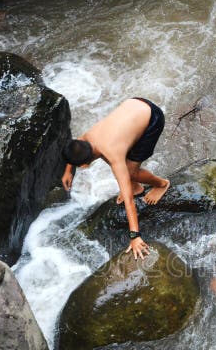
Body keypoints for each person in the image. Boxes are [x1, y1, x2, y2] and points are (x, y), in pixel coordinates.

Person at [61, 98, 171, 259]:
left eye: (80, 165)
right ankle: (136, 185)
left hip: (152, 118)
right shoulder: (88, 138)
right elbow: (76, 142)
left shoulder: (113, 154)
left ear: (86, 163)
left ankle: (161, 184)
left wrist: (135, 236)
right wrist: (68, 171)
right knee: (127, 166)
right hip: (135, 104)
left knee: (130, 172)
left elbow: (128, 199)